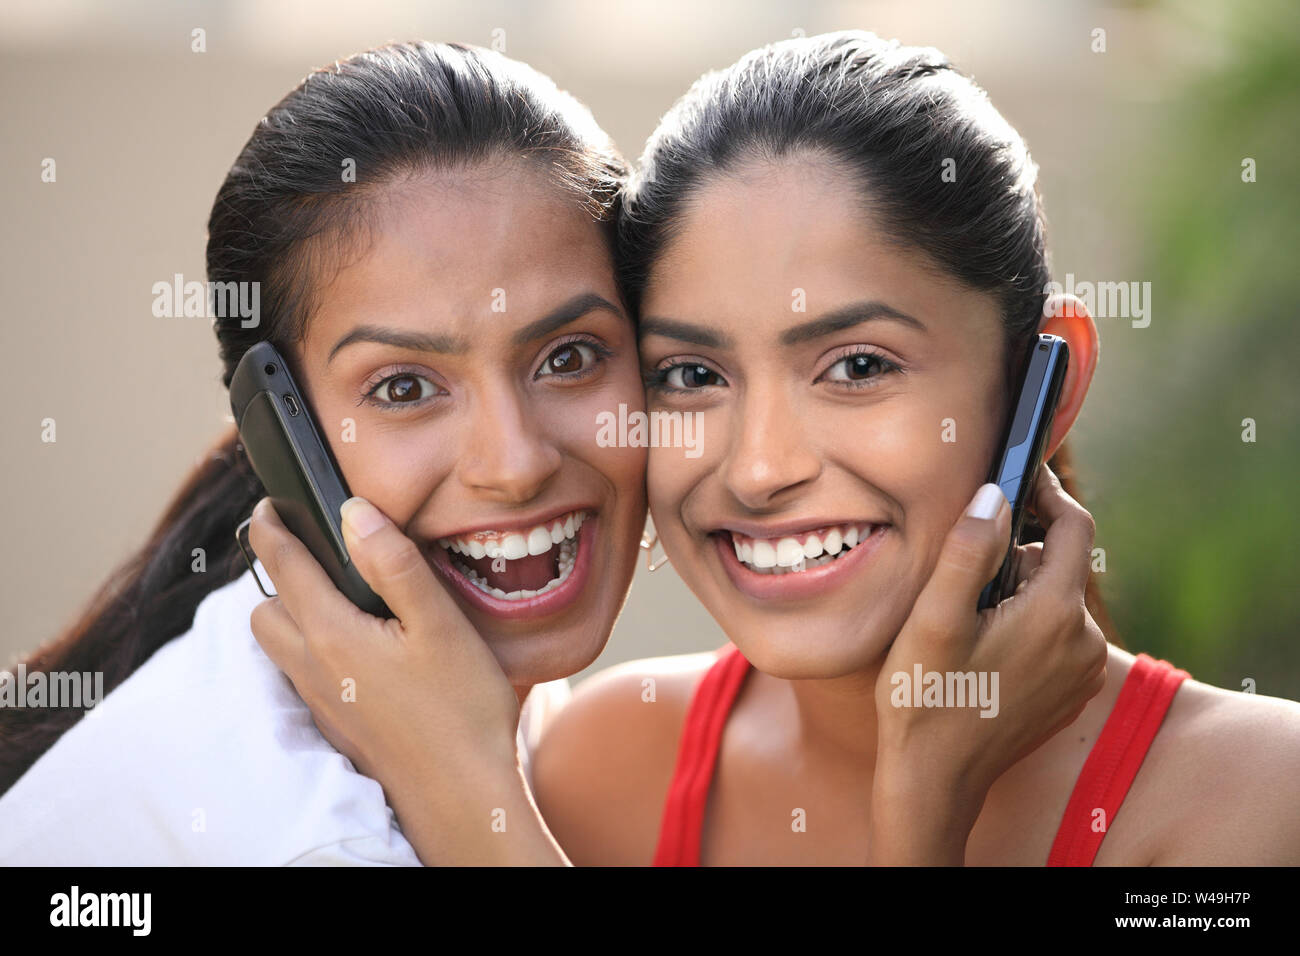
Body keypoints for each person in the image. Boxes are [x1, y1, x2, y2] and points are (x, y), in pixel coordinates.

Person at [247, 32, 1294, 866]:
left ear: (1044, 382)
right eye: (692, 375)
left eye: (856, 366)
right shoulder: (600, 767)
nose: (758, 468)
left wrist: (925, 801)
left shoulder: (1259, 803)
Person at [0, 40, 647, 865]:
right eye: (404, 388)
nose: (516, 464)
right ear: (279, 433)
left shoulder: (462, 685)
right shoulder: (312, 841)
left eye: (569, 357)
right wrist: (465, 786)